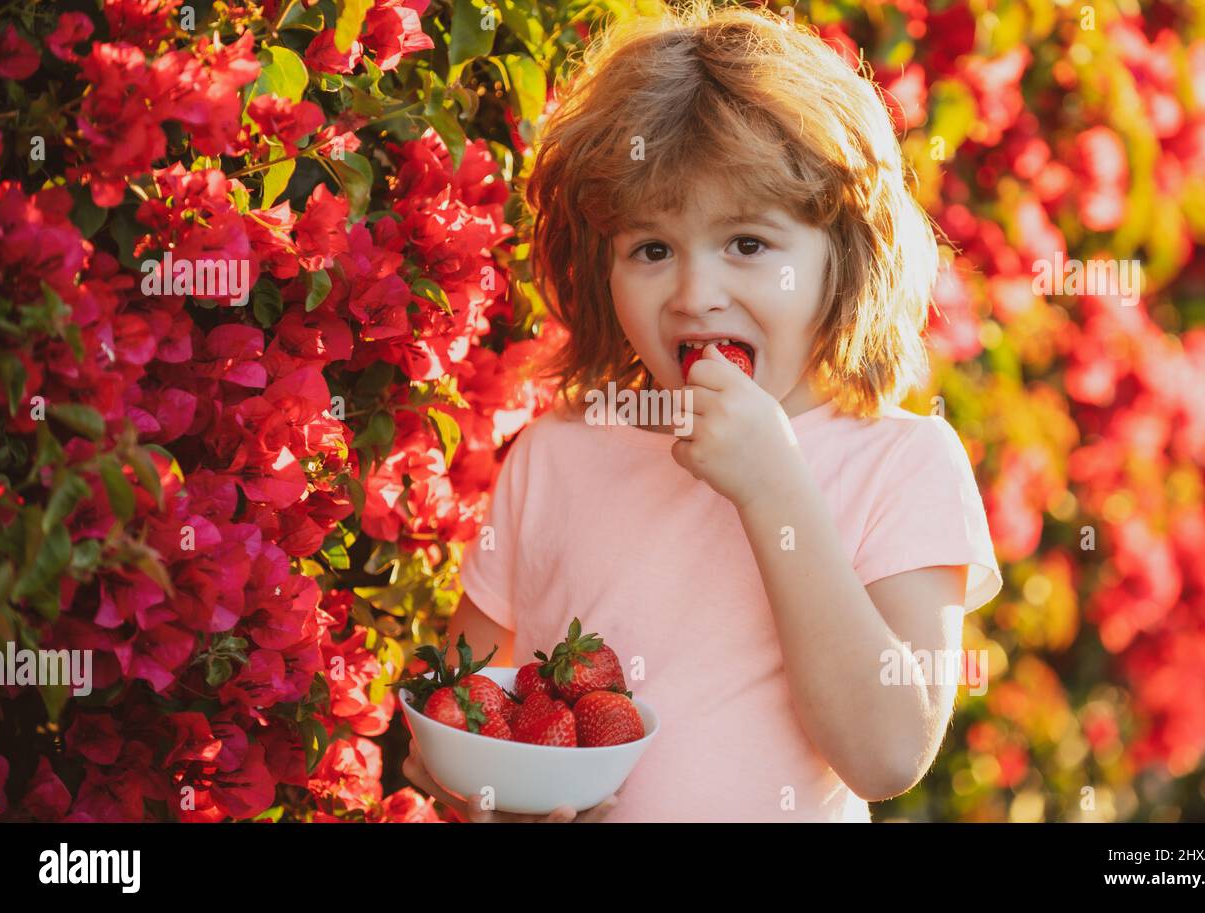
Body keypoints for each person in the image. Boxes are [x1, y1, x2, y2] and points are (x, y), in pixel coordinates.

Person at [403, 0, 1003, 823]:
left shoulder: (900, 464)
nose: (694, 295)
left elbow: (887, 750)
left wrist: (774, 488)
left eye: (748, 244)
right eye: (651, 249)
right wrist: (473, 783)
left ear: (845, 259)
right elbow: (461, 706)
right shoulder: (556, 454)